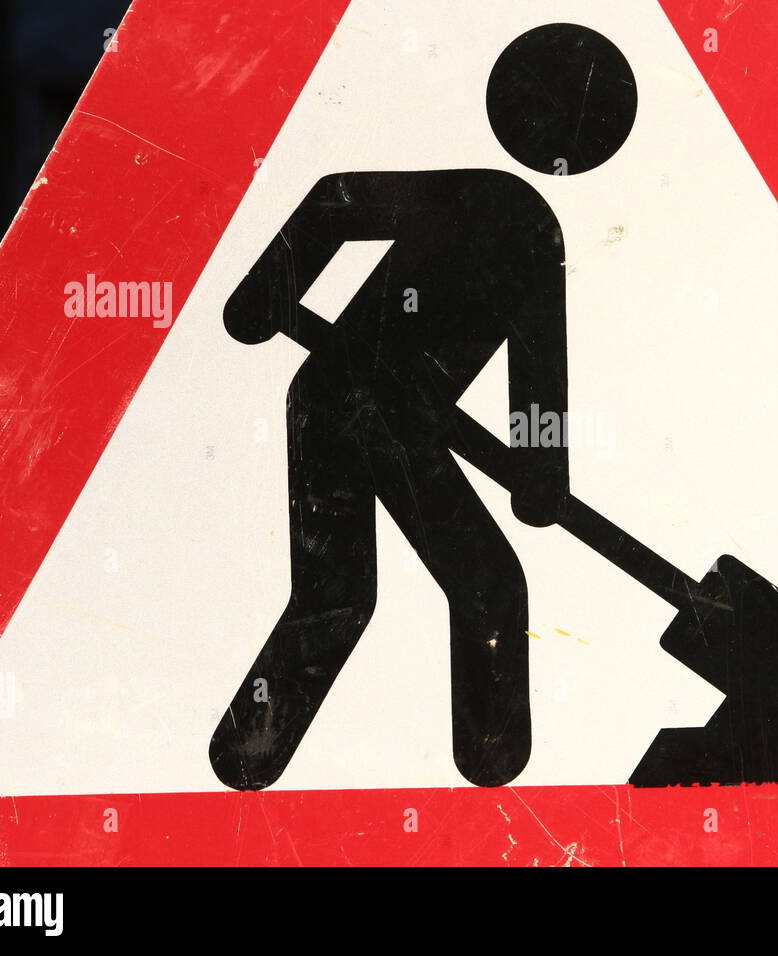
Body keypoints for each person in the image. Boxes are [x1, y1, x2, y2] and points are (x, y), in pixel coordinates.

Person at [210, 23, 638, 789]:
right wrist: (537, 479)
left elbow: (537, 369)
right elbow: (337, 203)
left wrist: (265, 293)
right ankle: (490, 768)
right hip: (379, 411)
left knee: (336, 595)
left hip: (333, 401)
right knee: (490, 589)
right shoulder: (516, 215)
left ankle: (246, 756)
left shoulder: (504, 209)